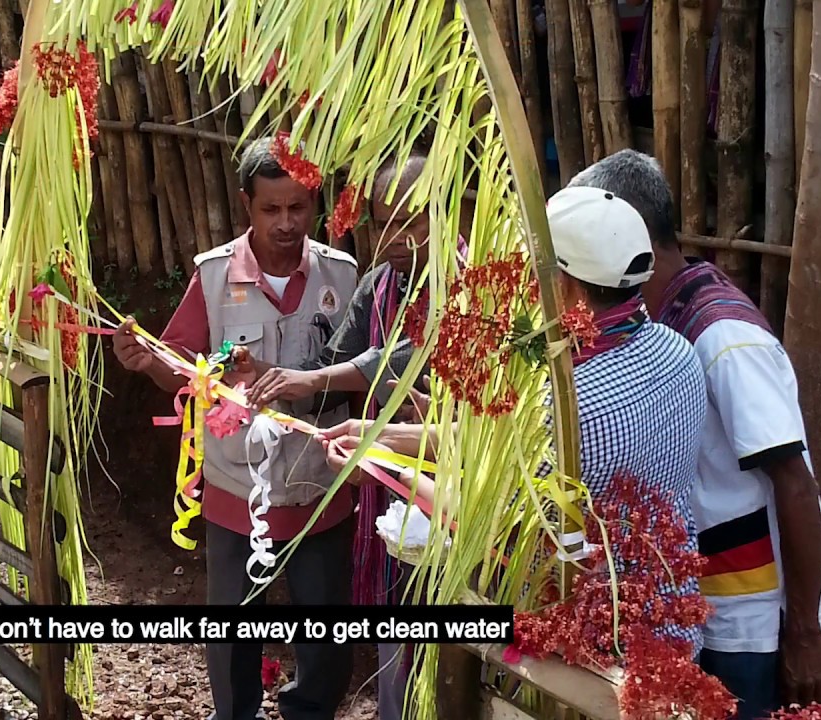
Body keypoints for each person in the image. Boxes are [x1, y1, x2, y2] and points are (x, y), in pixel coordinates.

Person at [321, 185, 711, 652]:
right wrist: (381, 436)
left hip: (585, 647)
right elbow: (492, 447)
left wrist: (386, 470)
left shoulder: (563, 407)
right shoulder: (679, 352)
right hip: (669, 621)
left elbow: (479, 516)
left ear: (562, 285)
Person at [567, 149, 821, 719]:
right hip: (694, 597)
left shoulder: (723, 338)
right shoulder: (656, 320)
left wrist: (806, 632)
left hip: (747, 611)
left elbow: (795, 482)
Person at [111, 135, 359, 720]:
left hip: (319, 487)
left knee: (324, 632)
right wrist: (147, 361)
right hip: (234, 490)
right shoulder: (216, 277)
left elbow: (365, 370)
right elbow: (180, 365)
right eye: (271, 209)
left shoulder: (343, 277)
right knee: (231, 630)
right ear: (246, 204)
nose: (286, 223)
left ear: (314, 207)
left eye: (298, 208)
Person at [230, 153, 455, 720]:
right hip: (385, 486)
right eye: (383, 222)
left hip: (452, 487)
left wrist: (311, 377)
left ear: (444, 212)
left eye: (413, 221)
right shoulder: (379, 284)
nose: (397, 237)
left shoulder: (468, 284)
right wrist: (270, 380)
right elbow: (339, 362)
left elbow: (404, 355)